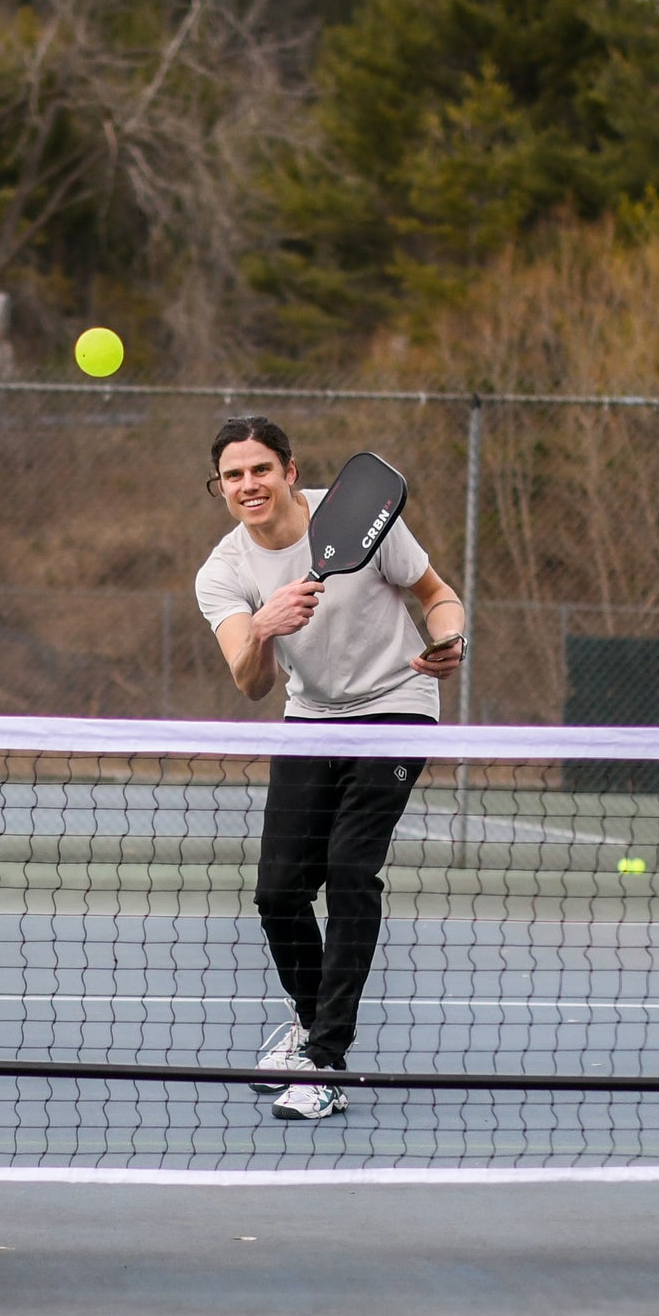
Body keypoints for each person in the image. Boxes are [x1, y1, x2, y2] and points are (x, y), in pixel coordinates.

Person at [192, 415, 465, 1122]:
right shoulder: (223, 573)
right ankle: (312, 1024)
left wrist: (449, 640)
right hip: (311, 717)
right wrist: (263, 627)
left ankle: (324, 1060)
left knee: (349, 871)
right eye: (232, 476)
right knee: (278, 893)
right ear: (219, 487)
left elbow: (438, 595)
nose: (248, 485)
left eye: (260, 469)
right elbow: (252, 684)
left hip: (397, 705)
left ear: (289, 471)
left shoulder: (358, 517)